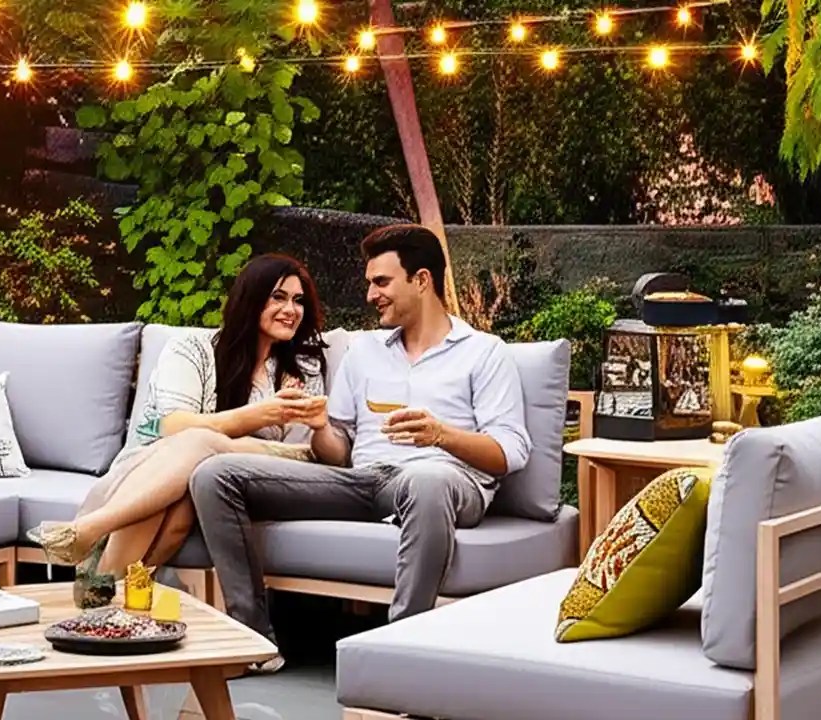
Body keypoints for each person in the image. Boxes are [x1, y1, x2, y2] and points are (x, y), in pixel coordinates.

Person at [189, 223, 532, 662]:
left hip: (445, 483)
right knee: (214, 475)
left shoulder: (484, 352)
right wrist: (319, 427)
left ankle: (398, 652)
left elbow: (510, 454)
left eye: (381, 282)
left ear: (422, 280)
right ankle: (254, 640)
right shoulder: (364, 350)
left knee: (426, 480)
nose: (370, 294)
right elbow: (340, 452)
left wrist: (441, 435)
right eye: (369, 283)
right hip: (365, 481)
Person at [26, 253, 330, 585]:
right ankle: (104, 598)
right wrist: (255, 418)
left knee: (200, 444)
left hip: (247, 482)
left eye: (298, 301)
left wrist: (225, 442)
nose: (291, 310)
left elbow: (302, 456)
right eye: (279, 297)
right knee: (182, 498)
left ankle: (90, 531)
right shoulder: (193, 349)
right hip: (163, 469)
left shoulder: (304, 368)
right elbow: (171, 427)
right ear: (250, 298)